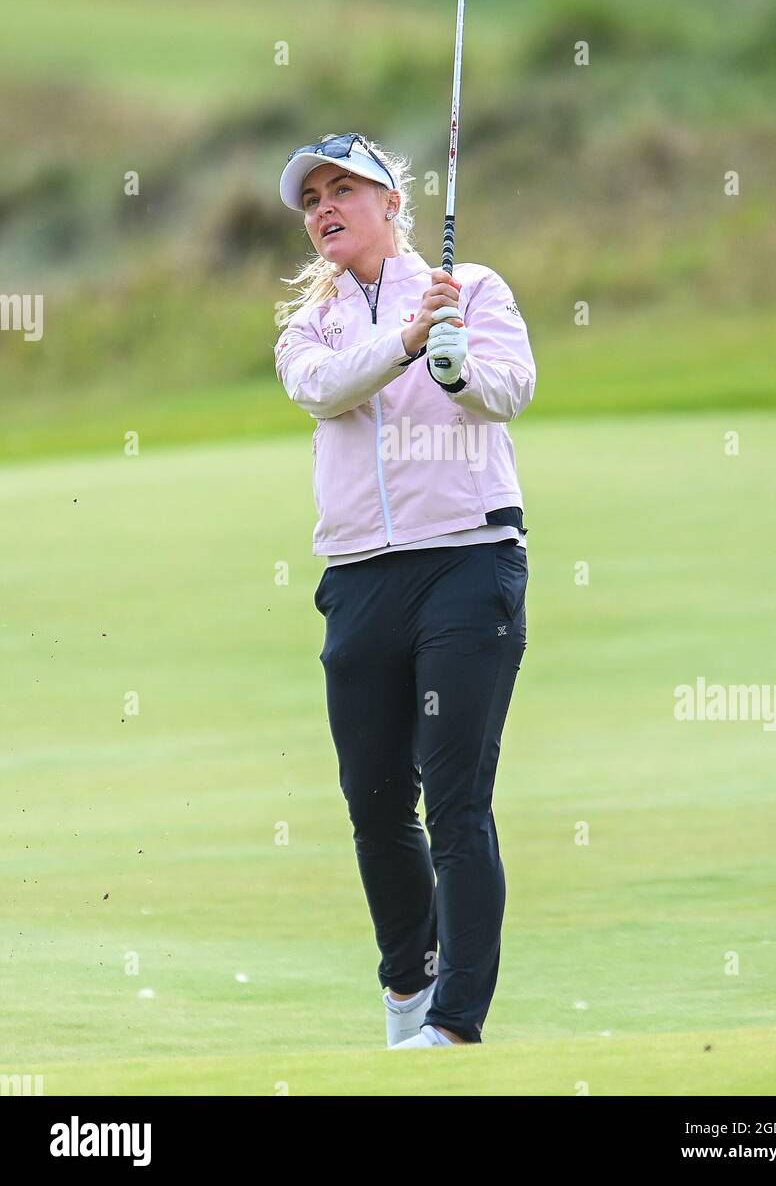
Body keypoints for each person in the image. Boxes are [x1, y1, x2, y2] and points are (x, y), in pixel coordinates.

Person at [274, 133, 535, 1048]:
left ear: (391, 202)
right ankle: (407, 990)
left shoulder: (476, 290)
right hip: (358, 578)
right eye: (312, 200)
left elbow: (511, 390)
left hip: (468, 561)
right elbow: (321, 390)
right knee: (375, 799)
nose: (323, 209)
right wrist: (408, 340)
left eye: (343, 189)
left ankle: (457, 1024)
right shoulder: (313, 325)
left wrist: (454, 360)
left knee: (457, 796)